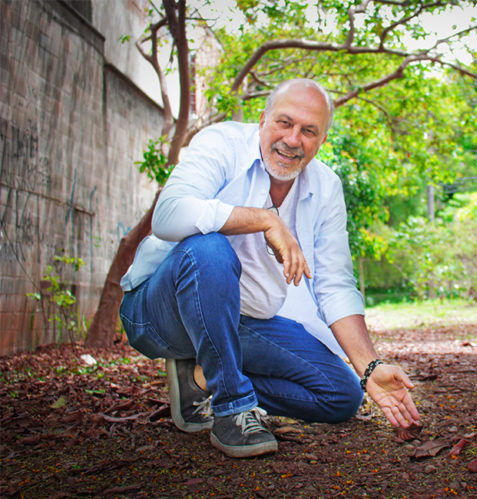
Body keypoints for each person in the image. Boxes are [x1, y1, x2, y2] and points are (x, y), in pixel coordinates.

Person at [119, 78, 420, 458]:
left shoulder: (326, 187)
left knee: (341, 395)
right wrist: (263, 219)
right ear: (262, 120)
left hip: (242, 320)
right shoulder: (222, 143)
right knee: (209, 249)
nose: (293, 140)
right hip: (160, 313)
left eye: (308, 131)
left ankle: (199, 379)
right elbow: (167, 215)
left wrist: (369, 366)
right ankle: (232, 406)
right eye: (284, 123)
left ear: (322, 140)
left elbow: (334, 284)